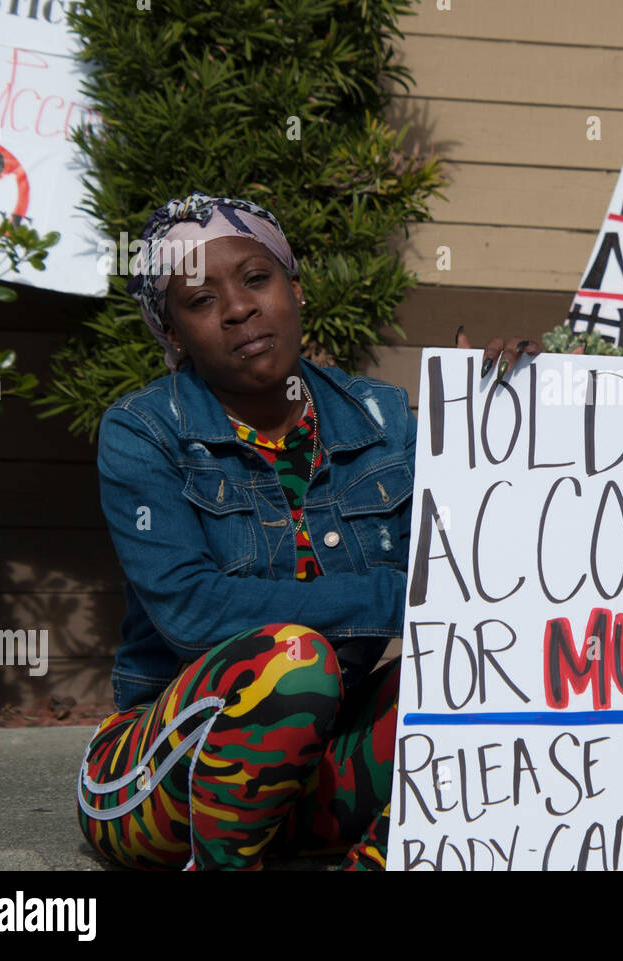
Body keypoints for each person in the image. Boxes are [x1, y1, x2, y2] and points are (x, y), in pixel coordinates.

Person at [77, 192, 536, 870]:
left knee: (492, 668)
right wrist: (398, 597)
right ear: (173, 335)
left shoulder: (382, 418)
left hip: (322, 775)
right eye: (201, 302)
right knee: (293, 661)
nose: (238, 308)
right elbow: (194, 612)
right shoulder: (144, 431)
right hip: (165, 781)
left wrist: (520, 408)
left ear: (293, 285)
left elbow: (473, 578)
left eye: (257, 279)